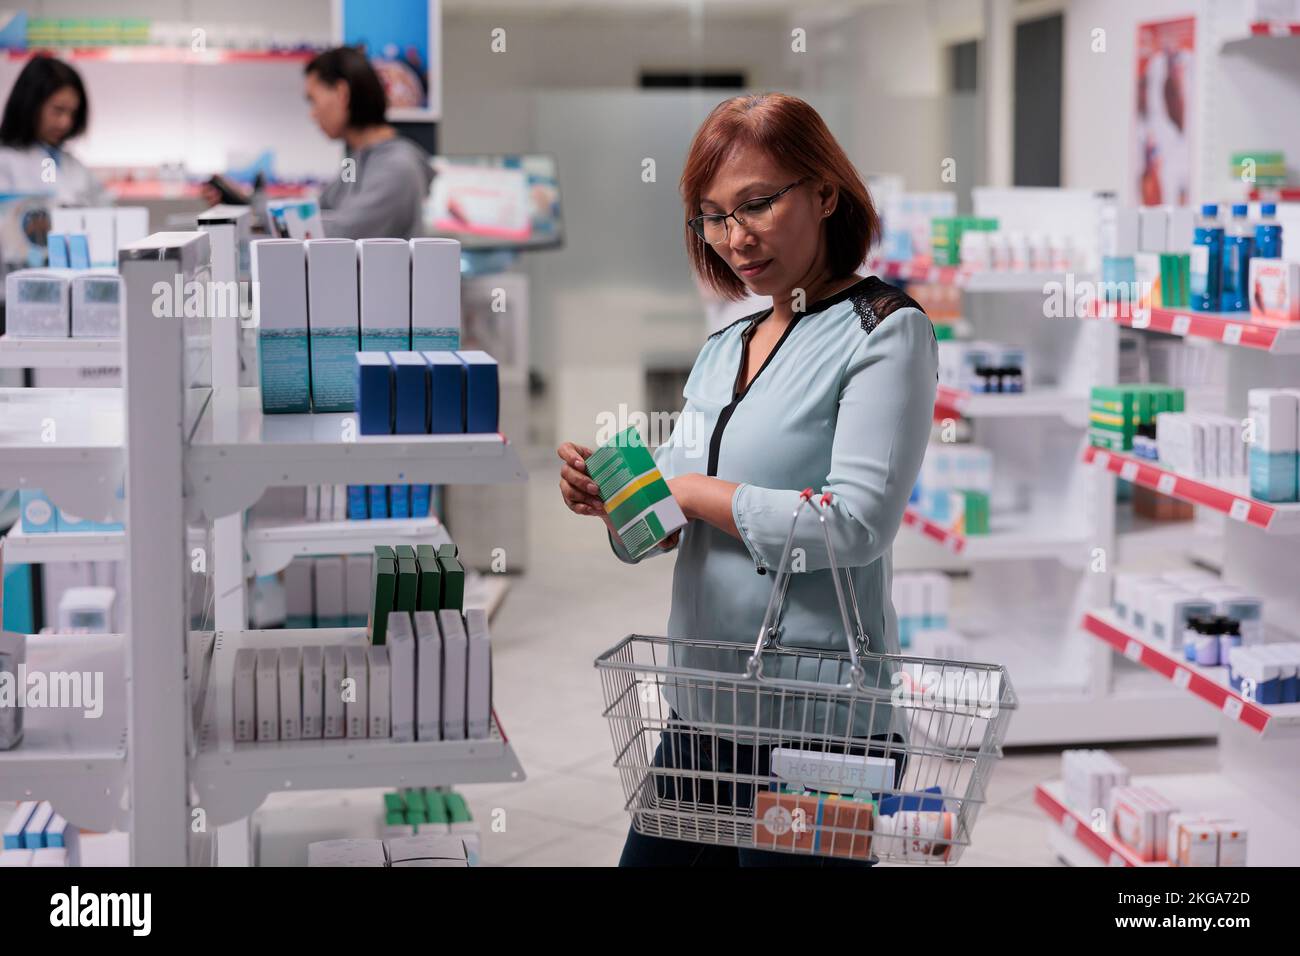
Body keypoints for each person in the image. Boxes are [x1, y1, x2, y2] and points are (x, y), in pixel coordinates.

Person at [556, 93, 938, 867]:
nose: (735, 237)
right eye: (712, 216)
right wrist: (620, 502)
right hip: (704, 714)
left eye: (756, 204)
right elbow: (669, 519)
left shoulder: (885, 332)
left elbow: (856, 523)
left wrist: (694, 493)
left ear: (825, 192)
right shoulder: (726, 344)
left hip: (818, 732)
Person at [304, 46, 433, 239]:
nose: (313, 113)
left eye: (313, 100)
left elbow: (342, 236)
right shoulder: (357, 159)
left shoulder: (397, 167)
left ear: (342, 94)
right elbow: (325, 207)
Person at [0, 54, 108, 205]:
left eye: (73, 113)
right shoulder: (5, 161)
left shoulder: (75, 167)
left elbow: (107, 211)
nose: (66, 123)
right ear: (30, 104)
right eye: (58, 110)